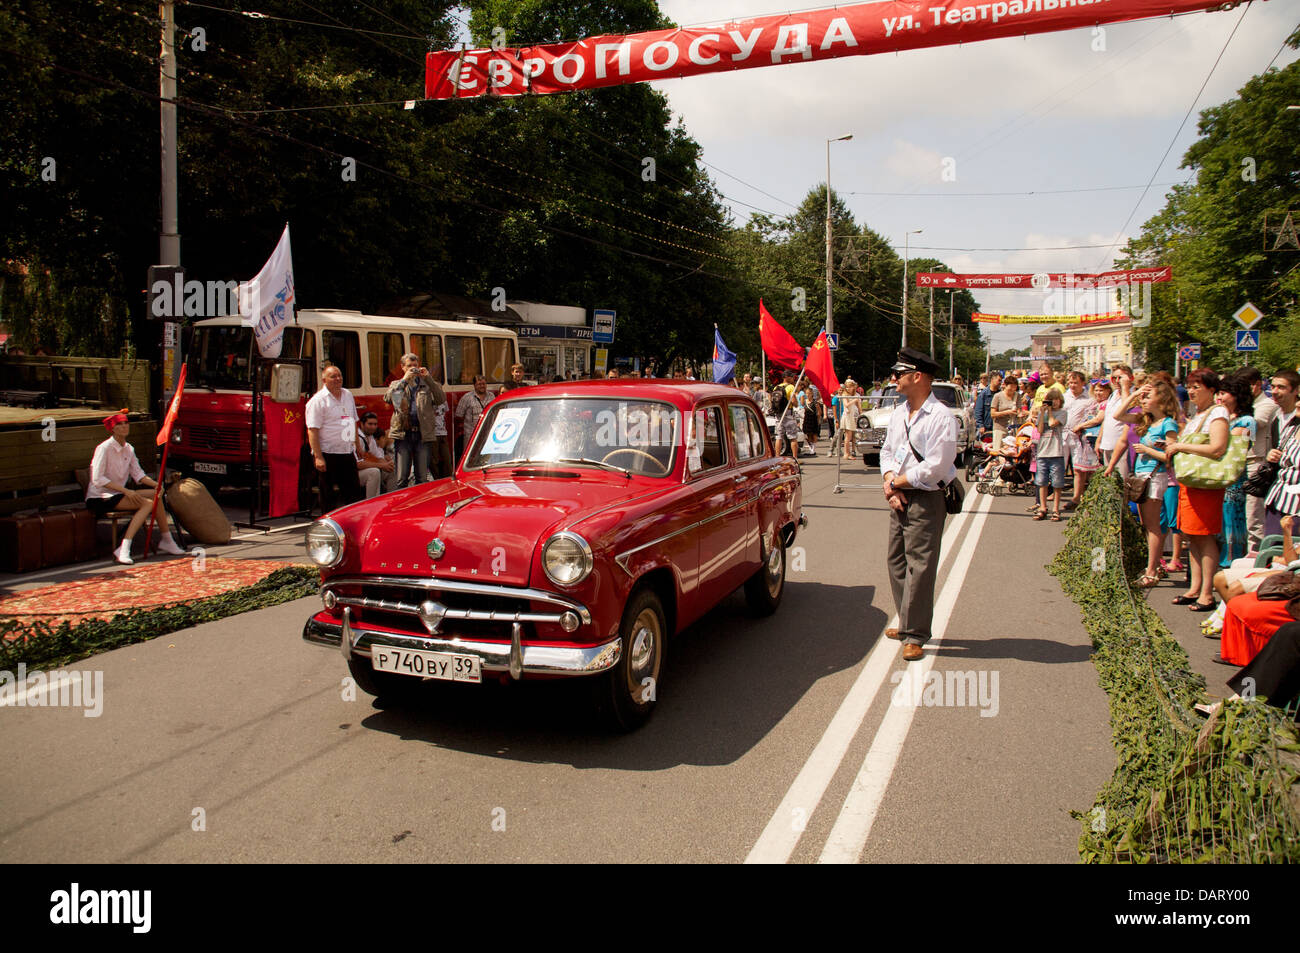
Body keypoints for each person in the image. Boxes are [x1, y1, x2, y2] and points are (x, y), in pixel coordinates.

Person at [880, 347, 958, 662]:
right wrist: (890, 483)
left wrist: (897, 483)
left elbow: (937, 466)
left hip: (926, 495)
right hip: (898, 493)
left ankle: (915, 634)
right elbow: (887, 451)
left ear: (918, 377)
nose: (894, 378)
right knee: (896, 560)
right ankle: (907, 619)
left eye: (899, 374)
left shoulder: (941, 416)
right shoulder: (899, 413)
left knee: (921, 566)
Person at [1164, 368, 1231, 612]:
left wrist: (1180, 445)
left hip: (1205, 484)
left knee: (1204, 537)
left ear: (1212, 390)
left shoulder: (1218, 413)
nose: (1191, 391)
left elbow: (1217, 448)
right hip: (1191, 483)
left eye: (1197, 387)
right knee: (1193, 536)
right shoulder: (1200, 413)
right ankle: (1194, 588)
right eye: (1189, 386)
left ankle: (1206, 593)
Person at [86, 412, 184, 564]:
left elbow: (138, 474)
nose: (124, 426)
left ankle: (166, 540)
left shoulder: (129, 448)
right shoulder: (104, 448)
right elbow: (97, 479)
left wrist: (156, 485)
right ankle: (124, 547)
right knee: (147, 504)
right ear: (113, 428)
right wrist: (126, 491)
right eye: (120, 424)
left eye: (126, 423)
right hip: (100, 497)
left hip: (119, 494)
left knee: (155, 495)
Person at [1113, 381, 1180, 586]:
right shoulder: (1146, 421)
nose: (1143, 400)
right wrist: (1134, 395)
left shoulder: (1168, 423)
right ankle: (1153, 566)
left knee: (1153, 527)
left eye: (1147, 397)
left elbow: (1171, 455)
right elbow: (1118, 415)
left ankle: (1151, 571)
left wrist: (1147, 450)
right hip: (1141, 477)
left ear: (1162, 399)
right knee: (1146, 525)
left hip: (1155, 477)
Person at [384, 353, 448, 488]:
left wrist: (429, 378)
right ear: (402, 367)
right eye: (409, 366)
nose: (413, 369)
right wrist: (404, 380)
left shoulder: (428, 384)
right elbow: (389, 398)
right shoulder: (396, 384)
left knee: (422, 477)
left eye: (415, 366)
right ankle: (402, 505)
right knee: (401, 478)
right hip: (403, 434)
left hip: (422, 435)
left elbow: (441, 399)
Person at [306, 364, 364, 512]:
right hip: (328, 453)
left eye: (339, 376)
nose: (338, 379)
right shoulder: (318, 400)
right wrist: (318, 457)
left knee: (353, 493)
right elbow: (312, 430)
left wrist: (357, 445)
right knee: (328, 494)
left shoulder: (348, 395)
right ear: (324, 380)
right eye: (333, 376)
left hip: (346, 451)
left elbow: (352, 421)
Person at [1216, 370, 1257, 566]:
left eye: (1224, 393)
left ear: (1237, 394)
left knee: (1231, 520)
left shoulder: (1247, 420)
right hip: (1217, 477)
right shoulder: (1222, 418)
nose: (1220, 397)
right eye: (1219, 393)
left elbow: (1236, 448)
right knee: (1219, 522)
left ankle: (1231, 562)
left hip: (1234, 479)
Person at [1243, 367, 1279, 549]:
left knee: (1253, 516)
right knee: (1241, 515)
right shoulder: (1247, 406)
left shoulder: (1266, 405)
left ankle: (1255, 553)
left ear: (1257, 385)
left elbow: (1254, 425)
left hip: (1256, 464)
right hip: (1242, 463)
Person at [1263, 370, 1300, 538]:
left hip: (1295, 503)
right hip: (1278, 496)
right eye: (1273, 386)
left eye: (1281, 387)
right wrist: (1271, 455)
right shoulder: (1279, 419)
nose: (1275, 391)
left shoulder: (1295, 419)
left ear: (1295, 390)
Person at [1063, 371, 1100, 508]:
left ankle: (1076, 497)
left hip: (1078, 437)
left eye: (1075, 383)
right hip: (1062, 434)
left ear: (1083, 383)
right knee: (1059, 466)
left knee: (1079, 468)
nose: (1072, 385)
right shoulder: (1064, 396)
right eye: (1070, 382)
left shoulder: (1089, 398)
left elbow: (1093, 417)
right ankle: (1056, 494)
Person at [1032, 389, 1067, 521]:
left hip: (1056, 452)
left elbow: (1052, 423)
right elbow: (1040, 430)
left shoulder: (1063, 413)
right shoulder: (1043, 414)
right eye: (1051, 400)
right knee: (1042, 481)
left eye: (1057, 399)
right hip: (1042, 452)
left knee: (1057, 483)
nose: (1054, 402)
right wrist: (1042, 413)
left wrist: (1050, 411)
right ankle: (1042, 507)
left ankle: (1056, 509)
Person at [355, 411, 394, 499]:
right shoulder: (358, 438)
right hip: (354, 473)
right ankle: (371, 502)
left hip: (367, 467)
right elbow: (358, 464)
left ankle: (391, 499)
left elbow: (378, 456)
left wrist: (388, 465)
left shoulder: (370, 437)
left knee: (392, 470)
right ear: (362, 424)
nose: (373, 427)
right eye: (370, 424)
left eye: (375, 424)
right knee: (374, 472)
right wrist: (382, 465)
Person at [454, 374, 494, 461]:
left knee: (487, 459)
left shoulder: (491, 396)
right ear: (474, 385)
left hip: (488, 434)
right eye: (479, 384)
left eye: (484, 384)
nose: (482, 386)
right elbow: (458, 415)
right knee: (470, 459)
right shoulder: (466, 398)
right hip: (471, 435)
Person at [991, 376, 1020, 450]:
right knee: (998, 451)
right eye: (1011, 387)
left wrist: (1020, 413)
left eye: (1014, 387)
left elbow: (1019, 410)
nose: (1012, 389)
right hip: (1000, 428)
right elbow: (993, 414)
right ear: (1005, 386)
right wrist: (1007, 412)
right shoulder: (998, 396)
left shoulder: (1017, 396)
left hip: (1013, 429)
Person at [840, 381, 862, 460]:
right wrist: (854, 400)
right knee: (848, 436)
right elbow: (846, 404)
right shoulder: (845, 395)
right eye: (847, 387)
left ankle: (849, 452)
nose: (848, 388)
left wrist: (861, 414)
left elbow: (859, 407)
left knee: (852, 436)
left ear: (853, 387)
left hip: (852, 416)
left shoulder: (856, 395)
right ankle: (846, 453)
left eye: (850, 387)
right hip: (847, 416)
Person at [973, 373, 994, 439]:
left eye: (985, 378)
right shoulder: (978, 387)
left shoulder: (989, 387)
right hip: (980, 406)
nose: (983, 379)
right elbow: (975, 397)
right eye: (982, 378)